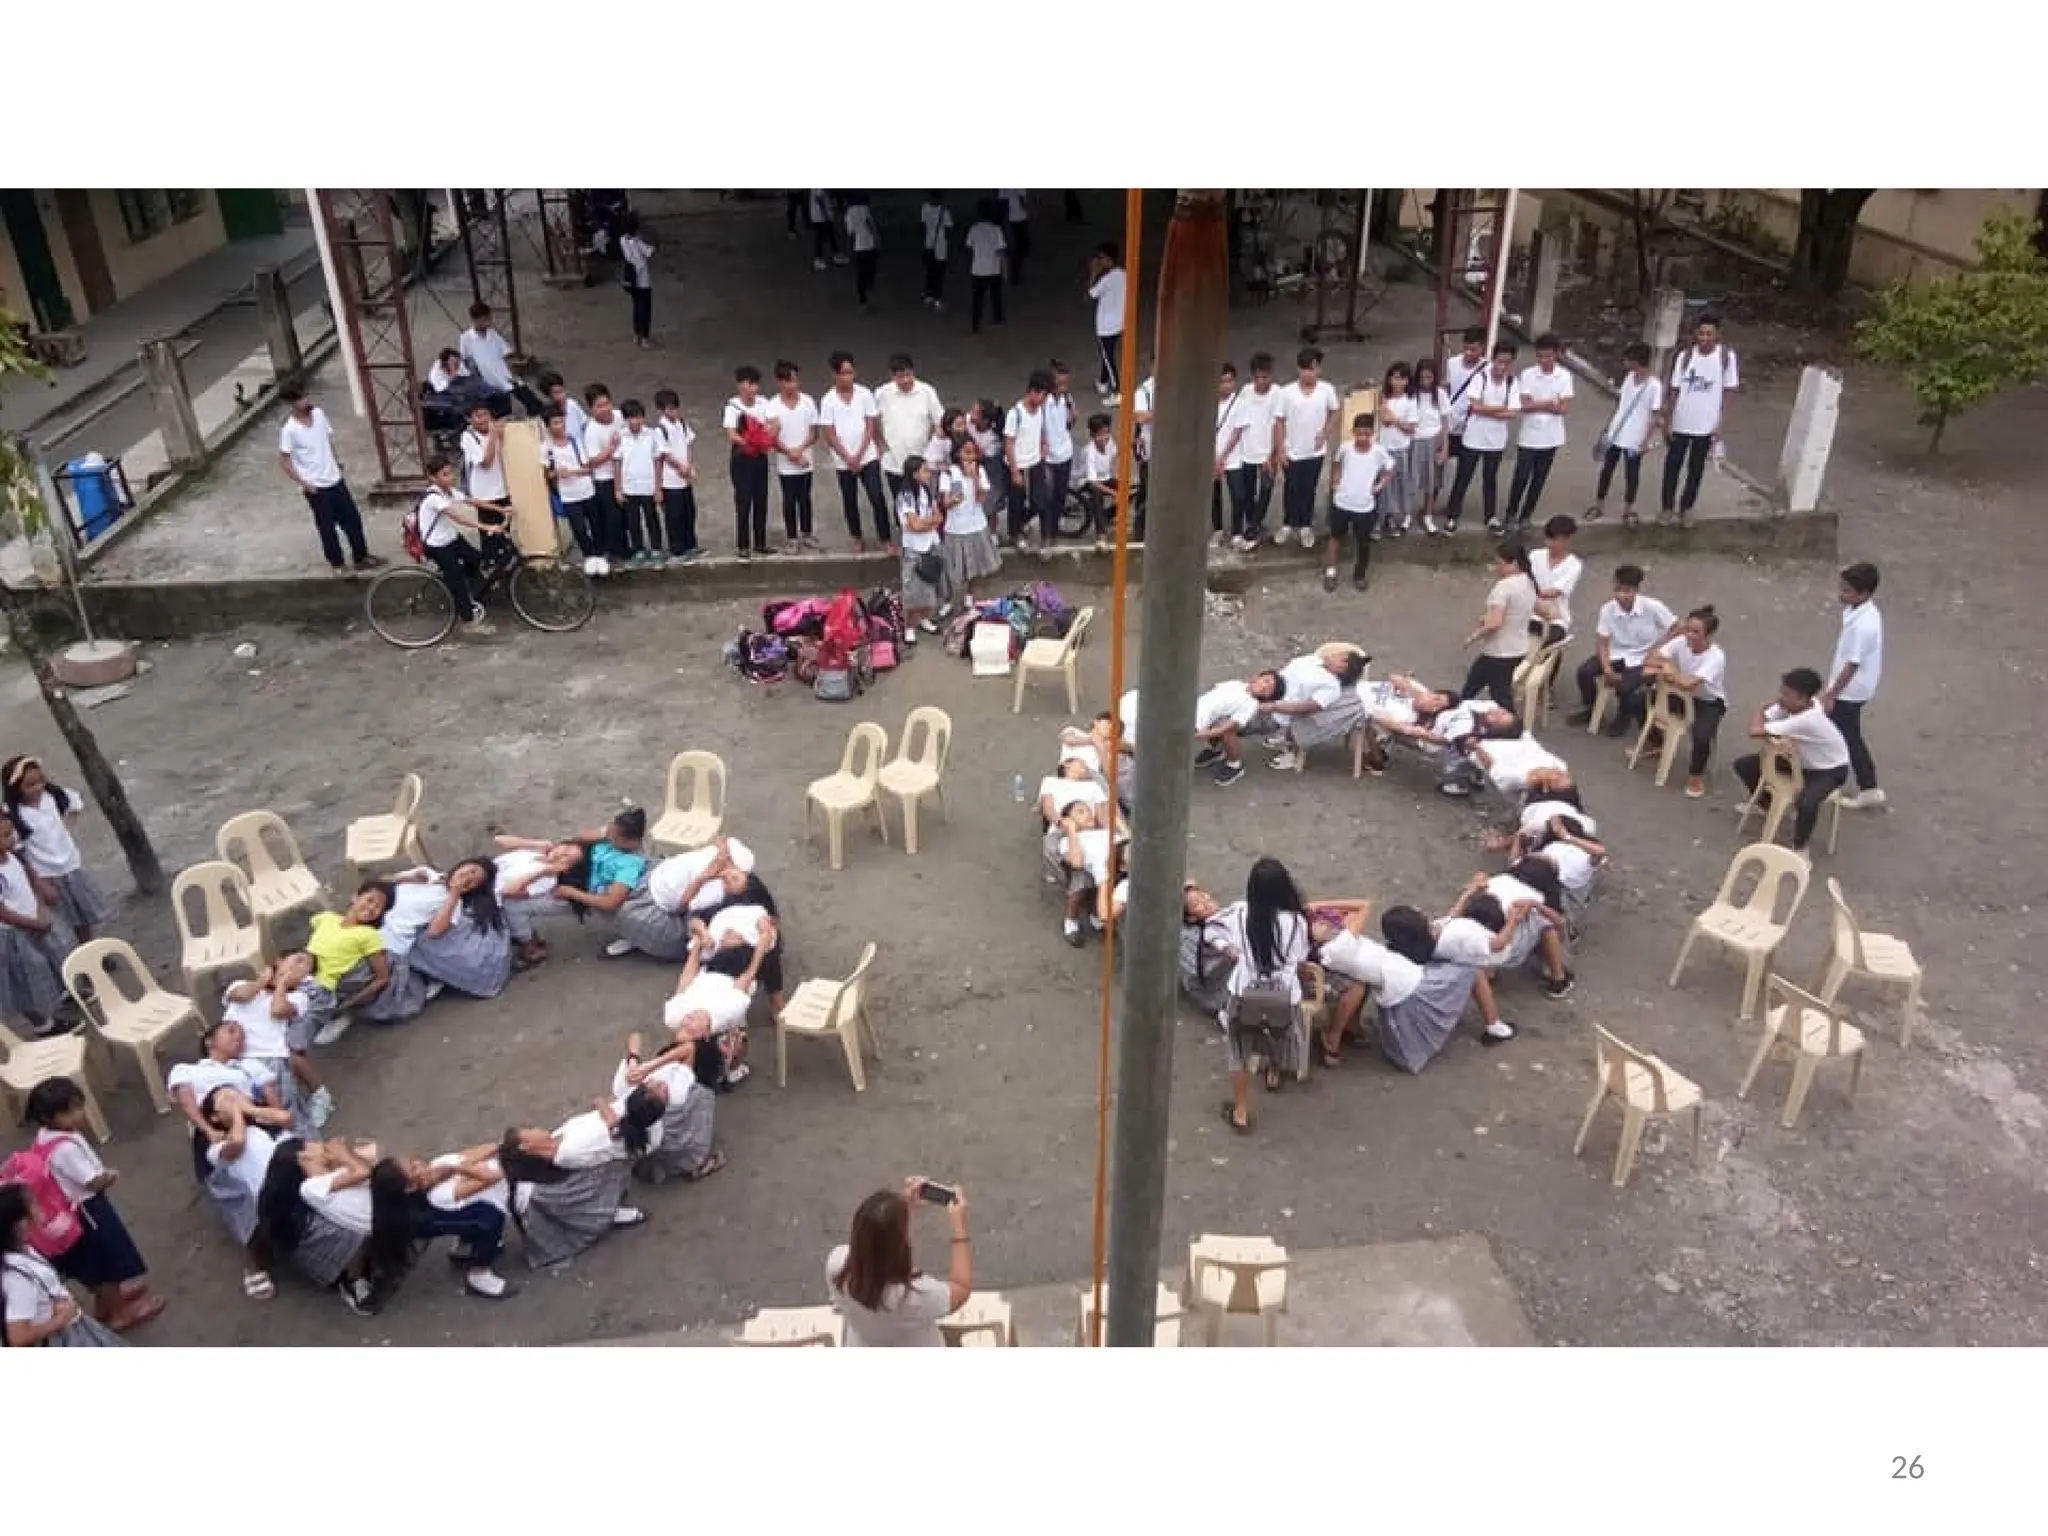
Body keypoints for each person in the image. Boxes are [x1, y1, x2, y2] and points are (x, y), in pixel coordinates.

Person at [22, 1076, 166, 1331]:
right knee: (107, 1260)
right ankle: (121, 1312)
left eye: (79, 1106)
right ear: (50, 1117)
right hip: (89, 1210)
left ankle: (107, 1303)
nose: (79, 1114)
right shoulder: (64, 1149)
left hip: (72, 1210)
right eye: (71, 1111)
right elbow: (92, 1182)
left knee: (97, 1262)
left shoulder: (45, 1138)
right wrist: (108, 1176)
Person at [1312, 904, 1491, 1072]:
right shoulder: (1341, 945)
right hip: (1409, 982)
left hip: (1402, 980)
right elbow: (1362, 905)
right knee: (1470, 971)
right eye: (1317, 924)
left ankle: (1346, 1033)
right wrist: (1315, 906)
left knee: (1359, 985)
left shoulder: (1336, 948)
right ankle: (1495, 1025)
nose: (1323, 924)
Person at [497, 1091, 663, 1268]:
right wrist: (600, 1103)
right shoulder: (568, 1151)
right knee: (598, 1205)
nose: (535, 1128)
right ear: (527, 1146)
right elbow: (611, 1124)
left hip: (597, 1170)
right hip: (599, 1175)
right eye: (529, 1132)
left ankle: (610, 1212)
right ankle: (611, 1215)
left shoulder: (555, 1144)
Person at [825, 1178, 972, 1346]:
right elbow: (961, 1288)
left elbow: (876, 1237)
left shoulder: (837, 1264)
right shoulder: (916, 1296)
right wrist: (959, 1226)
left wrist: (901, 1207)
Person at [1220, 858, 1310, 1131]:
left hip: (1244, 991)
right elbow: (1300, 961)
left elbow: (1220, 935)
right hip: (1284, 993)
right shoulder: (1297, 922)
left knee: (1237, 1049)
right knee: (1278, 1033)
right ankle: (1273, 1072)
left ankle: (1241, 1110)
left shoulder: (1238, 914)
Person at [1731, 668, 1851, 855]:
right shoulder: (1801, 705)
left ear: (1802, 699)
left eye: (1786, 694)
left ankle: (1801, 849)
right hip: (1802, 762)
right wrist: (1768, 713)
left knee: (1806, 803)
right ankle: (1768, 807)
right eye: (1782, 691)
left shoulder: (1807, 720)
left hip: (1830, 769)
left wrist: (1760, 709)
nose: (1780, 697)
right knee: (1745, 766)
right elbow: (1768, 720)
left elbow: (1755, 730)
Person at [0, 1183, 124, 1347]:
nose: (39, 1205)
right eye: (33, 1203)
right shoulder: (19, 1278)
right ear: (20, 1223)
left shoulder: (22, 1250)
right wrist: (60, 1319)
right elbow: (18, 1336)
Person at [1, 756, 109, 942]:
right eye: (30, 785)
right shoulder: (15, 815)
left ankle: (90, 947)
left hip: (70, 865)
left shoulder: (53, 798)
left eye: (40, 781)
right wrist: (38, 882)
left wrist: (68, 830)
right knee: (61, 921)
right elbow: (17, 851)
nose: (38, 788)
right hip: (47, 874)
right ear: (16, 788)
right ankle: (74, 958)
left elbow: (75, 804)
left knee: (82, 916)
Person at [220, 952, 331, 1132]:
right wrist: (264, 979)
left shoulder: (298, 998)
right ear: (279, 961)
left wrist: (282, 984)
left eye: (306, 969)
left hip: (268, 1058)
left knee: (284, 1119)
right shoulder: (241, 985)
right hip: (228, 1055)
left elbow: (278, 1010)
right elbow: (241, 995)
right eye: (298, 960)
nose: (299, 968)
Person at [277, 386, 380, 576]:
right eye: (300, 399)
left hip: (334, 478)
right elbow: (284, 461)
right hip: (315, 485)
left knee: (352, 519)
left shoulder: (319, 415)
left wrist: (336, 460)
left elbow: (327, 440)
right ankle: (337, 564)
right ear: (292, 404)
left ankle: (361, 556)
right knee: (327, 527)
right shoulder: (290, 430)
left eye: (305, 396)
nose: (306, 401)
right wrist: (305, 483)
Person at [1570, 565, 1678, 735]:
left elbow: (1676, 627)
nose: (1621, 596)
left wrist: (1660, 648)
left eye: (1626, 591)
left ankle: (1624, 716)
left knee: (1625, 686)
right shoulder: (1607, 609)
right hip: (1616, 653)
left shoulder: (1653, 607)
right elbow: (1603, 642)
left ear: (1635, 590)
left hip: (1642, 657)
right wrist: (1607, 668)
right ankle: (1589, 706)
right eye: (1617, 590)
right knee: (1584, 672)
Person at [611, 1031, 727, 1184]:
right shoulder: (677, 1094)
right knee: (702, 1096)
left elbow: (634, 1037)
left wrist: (634, 1060)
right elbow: (690, 1049)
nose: (663, 1085)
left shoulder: (624, 1089)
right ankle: (695, 1162)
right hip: (674, 1138)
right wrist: (649, 1066)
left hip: (654, 1142)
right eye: (664, 1092)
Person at [395, 1151, 514, 1299]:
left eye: (414, 1161)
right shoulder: (436, 1193)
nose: (419, 1163)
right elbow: (491, 1178)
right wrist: (455, 1169)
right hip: (426, 1218)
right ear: (410, 1187)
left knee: (476, 1211)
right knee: (488, 1220)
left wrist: (501, 1146)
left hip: (427, 1208)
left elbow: (468, 1156)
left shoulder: (436, 1167)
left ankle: (465, 1245)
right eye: (413, 1168)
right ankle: (479, 1275)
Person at [1442, 869, 1575, 999]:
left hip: (1474, 952)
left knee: (1485, 939)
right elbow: (1559, 923)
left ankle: (1488, 973)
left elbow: (1451, 917)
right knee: (1543, 922)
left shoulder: (1454, 929)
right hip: (1501, 951)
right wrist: (1518, 917)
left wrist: (1470, 892)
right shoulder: (1498, 944)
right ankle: (1559, 979)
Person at [1658, 313, 1739, 524]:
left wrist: (1721, 424)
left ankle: (1687, 508)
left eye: (1709, 334)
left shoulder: (1726, 358)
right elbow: (1674, 390)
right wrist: (1667, 421)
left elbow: (1729, 392)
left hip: (1706, 426)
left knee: (1696, 468)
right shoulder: (1684, 357)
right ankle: (1667, 507)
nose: (1704, 338)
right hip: (1681, 423)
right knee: (1672, 467)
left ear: (1717, 335)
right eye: (1701, 333)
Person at [0, 817, 76, 1038]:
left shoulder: (13, 857)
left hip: (35, 920)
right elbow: (3, 912)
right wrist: (33, 922)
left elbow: (29, 881)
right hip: (12, 933)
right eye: (4, 836)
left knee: (54, 956)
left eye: (11, 832)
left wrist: (41, 905)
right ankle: (42, 1024)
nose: (12, 838)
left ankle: (63, 996)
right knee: (23, 979)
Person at [1643, 605, 1729, 798]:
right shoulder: (1680, 642)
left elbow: (1689, 684)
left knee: (1701, 737)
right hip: (1681, 694)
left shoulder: (1716, 657)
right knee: (1650, 699)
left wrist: (1669, 671)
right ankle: (1655, 742)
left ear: (1709, 635)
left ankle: (1695, 776)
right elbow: (1650, 659)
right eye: (1688, 629)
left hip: (1708, 701)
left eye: (1696, 632)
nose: (1689, 635)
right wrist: (1667, 664)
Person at [1823, 562, 1886, 810]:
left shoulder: (1864, 625)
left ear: (1864, 594)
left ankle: (1867, 786)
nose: (1841, 594)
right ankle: (1864, 785)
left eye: (1847, 591)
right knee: (1845, 734)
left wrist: (1832, 694)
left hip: (1850, 690)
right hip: (1850, 686)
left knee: (1846, 737)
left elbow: (1852, 664)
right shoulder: (1858, 611)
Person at [299, 883, 394, 1043]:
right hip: (305, 975)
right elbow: (315, 929)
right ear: (355, 897)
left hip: (330, 987)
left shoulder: (368, 935)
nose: (371, 908)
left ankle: (337, 1017)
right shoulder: (327, 918)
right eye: (369, 900)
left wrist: (348, 1005)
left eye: (378, 908)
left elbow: (382, 978)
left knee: (301, 1031)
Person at [819, 353, 892, 552]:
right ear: (835, 375)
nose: (848, 377)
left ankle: (885, 537)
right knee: (849, 499)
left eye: (850, 372)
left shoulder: (864, 394)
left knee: (877, 497)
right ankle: (856, 536)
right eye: (843, 373)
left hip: (867, 456)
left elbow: (870, 425)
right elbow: (829, 434)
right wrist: (848, 457)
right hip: (843, 461)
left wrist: (860, 454)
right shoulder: (828, 400)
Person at [1257, 643, 1369, 772]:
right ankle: (1284, 739)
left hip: (1280, 708)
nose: (1332, 654)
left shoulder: (1330, 687)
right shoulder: (1314, 659)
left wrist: (1274, 706)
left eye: (1338, 656)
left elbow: (1308, 706)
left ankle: (1291, 749)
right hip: (1271, 689)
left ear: (1342, 666)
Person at [413, 455, 493, 635]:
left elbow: (471, 501)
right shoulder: (434, 497)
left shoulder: (449, 491)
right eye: (445, 474)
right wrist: (485, 526)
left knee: (476, 559)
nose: (450, 477)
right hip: (438, 546)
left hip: (452, 538)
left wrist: (500, 509)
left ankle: (471, 595)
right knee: (457, 582)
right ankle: (468, 621)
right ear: (433, 478)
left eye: (450, 473)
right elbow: (457, 516)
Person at [1445, 343, 1520, 532]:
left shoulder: (1512, 382)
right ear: (1493, 360)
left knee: (1490, 478)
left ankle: (1490, 517)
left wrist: (1487, 410)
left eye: (1506, 363)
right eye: (1499, 361)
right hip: (1473, 437)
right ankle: (1452, 515)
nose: (1501, 366)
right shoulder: (1480, 378)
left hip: (1496, 441)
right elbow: (1475, 407)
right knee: (1463, 477)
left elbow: (1512, 413)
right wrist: (1500, 408)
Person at [1271, 345, 1340, 548]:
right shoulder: (1286, 392)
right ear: (1298, 369)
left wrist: (1325, 433)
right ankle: (1287, 523)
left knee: (1308, 488)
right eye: (1305, 369)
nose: (1308, 373)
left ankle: (1305, 525)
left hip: (1315, 451)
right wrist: (1280, 449)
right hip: (1292, 450)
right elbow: (1279, 421)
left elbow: (1335, 411)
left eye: (1313, 368)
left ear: (1319, 369)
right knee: (1291, 488)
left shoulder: (1326, 390)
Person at [1503, 333, 1573, 530]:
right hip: (1529, 435)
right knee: (1521, 476)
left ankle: (1526, 514)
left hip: (1551, 437)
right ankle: (1511, 512)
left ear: (1556, 355)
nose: (1544, 360)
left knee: (1539, 478)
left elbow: (1564, 408)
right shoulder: (1528, 374)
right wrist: (1550, 403)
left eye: (1548, 356)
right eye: (1541, 356)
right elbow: (1524, 405)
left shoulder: (1564, 377)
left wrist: (1539, 404)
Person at [1589, 342, 1662, 525]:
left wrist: (1646, 441)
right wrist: (1609, 426)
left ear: (1637, 362)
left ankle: (1628, 509)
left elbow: (1655, 416)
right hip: (1617, 432)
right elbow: (1621, 404)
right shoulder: (1629, 378)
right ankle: (1599, 505)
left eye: (1628, 360)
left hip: (1635, 437)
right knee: (1607, 470)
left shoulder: (1654, 386)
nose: (1625, 363)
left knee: (1632, 474)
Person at [1322, 413, 1395, 594]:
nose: (1362, 438)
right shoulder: (1345, 448)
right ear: (1353, 432)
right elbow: (1336, 462)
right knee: (1335, 537)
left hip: (1364, 506)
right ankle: (1330, 572)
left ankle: (1360, 574)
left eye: (1366, 434)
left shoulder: (1378, 451)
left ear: (1372, 433)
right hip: (1342, 502)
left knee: (1363, 542)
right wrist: (1335, 482)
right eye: (1359, 433)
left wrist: (1380, 485)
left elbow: (1391, 468)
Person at [1459, 540, 1539, 703]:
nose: (1497, 568)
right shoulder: (1528, 581)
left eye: (1499, 564)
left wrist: (1474, 637)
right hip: (1518, 647)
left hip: (1500, 651)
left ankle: (1514, 727)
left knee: (1500, 695)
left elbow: (1495, 623)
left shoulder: (1503, 588)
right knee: (1473, 684)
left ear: (1514, 563)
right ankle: (1457, 711)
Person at [493, 838, 587, 965]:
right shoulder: (534, 853)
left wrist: (540, 872)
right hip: (488, 872)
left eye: (566, 858)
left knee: (513, 908)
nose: (560, 854)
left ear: (565, 869)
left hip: (490, 893)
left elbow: (509, 891)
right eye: (564, 849)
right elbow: (499, 839)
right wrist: (534, 843)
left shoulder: (547, 880)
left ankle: (529, 947)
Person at [1226, 353, 1282, 548]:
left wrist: (1273, 453)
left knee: (1266, 489)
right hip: (1247, 451)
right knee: (1248, 491)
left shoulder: (1277, 394)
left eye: (1264, 377)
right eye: (1257, 377)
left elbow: (1278, 424)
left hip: (1267, 452)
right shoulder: (1245, 392)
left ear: (1271, 375)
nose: (1260, 381)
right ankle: (1252, 521)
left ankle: (1256, 523)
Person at [938, 438, 1001, 612]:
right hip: (955, 528)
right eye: (967, 452)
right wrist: (953, 500)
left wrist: (975, 479)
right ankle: (948, 600)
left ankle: (969, 597)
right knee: (953, 568)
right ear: (958, 454)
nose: (971, 457)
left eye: (973, 452)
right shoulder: (949, 474)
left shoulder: (980, 471)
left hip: (976, 525)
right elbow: (944, 503)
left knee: (975, 567)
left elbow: (981, 499)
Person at [1192, 670, 1284, 787]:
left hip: (1200, 721)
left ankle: (1235, 765)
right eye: (1265, 681)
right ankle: (1216, 750)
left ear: (1268, 697)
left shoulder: (1251, 704)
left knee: (1227, 732)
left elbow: (1232, 724)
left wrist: (1208, 733)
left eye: (1269, 689)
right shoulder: (1236, 684)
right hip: (1199, 709)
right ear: (1256, 677)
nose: (1264, 686)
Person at [766, 362, 820, 555]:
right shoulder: (772, 406)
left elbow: (814, 433)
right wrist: (791, 453)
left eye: (796, 380)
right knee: (789, 500)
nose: (794, 384)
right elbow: (772, 439)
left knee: (805, 498)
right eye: (789, 381)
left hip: (806, 461)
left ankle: (807, 533)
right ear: (780, 382)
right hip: (786, 464)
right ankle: (791, 538)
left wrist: (801, 450)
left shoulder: (808, 401)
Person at [722, 365, 775, 560]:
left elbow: (772, 424)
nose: (751, 388)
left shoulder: (763, 403)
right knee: (743, 501)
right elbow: (731, 434)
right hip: (742, 457)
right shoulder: (732, 407)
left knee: (761, 499)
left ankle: (760, 542)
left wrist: (764, 440)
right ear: (740, 385)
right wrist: (749, 443)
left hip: (760, 455)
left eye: (754, 384)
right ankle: (743, 545)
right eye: (747, 384)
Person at [1053, 800, 1122, 946]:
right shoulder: (1068, 841)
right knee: (1081, 879)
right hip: (1088, 869)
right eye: (1080, 812)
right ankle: (1070, 919)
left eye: (1089, 810)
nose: (1088, 814)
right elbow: (1077, 862)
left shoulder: (1106, 833)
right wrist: (1071, 830)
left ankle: (1097, 915)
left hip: (1112, 866)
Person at [540, 407, 601, 574]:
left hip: (586, 489)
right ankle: (589, 556)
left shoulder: (575, 442)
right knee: (579, 528)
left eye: (561, 421)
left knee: (596, 525)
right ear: (548, 426)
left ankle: (600, 555)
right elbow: (546, 474)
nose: (560, 426)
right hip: (568, 496)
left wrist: (572, 472)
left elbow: (588, 468)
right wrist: (556, 474)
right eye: (555, 423)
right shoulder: (546, 449)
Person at [879, 354, 945, 505]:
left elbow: (940, 422)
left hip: (920, 461)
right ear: (892, 376)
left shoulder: (927, 392)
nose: (905, 380)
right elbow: (873, 419)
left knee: (923, 501)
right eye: (900, 377)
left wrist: (934, 450)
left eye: (908, 375)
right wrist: (880, 443)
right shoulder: (882, 394)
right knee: (900, 502)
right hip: (893, 461)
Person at [459, 302, 544, 416]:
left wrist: (512, 372)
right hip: (488, 379)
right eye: (484, 319)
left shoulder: (492, 334)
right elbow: (466, 360)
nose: (488, 322)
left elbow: (506, 352)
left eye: (488, 318)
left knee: (531, 400)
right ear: (475, 320)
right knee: (503, 409)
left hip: (504, 373)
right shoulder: (466, 338)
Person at [895, 456, 944, 639]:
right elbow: (913, 525)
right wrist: (927, 523)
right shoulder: (905, 496)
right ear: (915, 474)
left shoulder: (926, 491)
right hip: (913, 548)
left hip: (930, 544)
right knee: (912, 588)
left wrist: (926, 523)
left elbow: (938, 517)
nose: (928, 473)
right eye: (924, 470)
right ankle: (909, 626)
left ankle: (924, 618)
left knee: (929, 585)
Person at [1004, 370, 1053, 550]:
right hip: (1019, 464)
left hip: (1036, 462)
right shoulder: (1015, 414)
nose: (1043, 400)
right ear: (1032, 391)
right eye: (1042, 395)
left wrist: (1044, 442)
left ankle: (1046, 539)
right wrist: (1014, 470)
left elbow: (1040, 430)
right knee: (1016, 502)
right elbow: (1009, 443)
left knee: (1042, 501)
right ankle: (1015, 534)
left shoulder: (1040, 411)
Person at [654, 389, 703, 562]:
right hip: (670, 481)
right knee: (673, 516)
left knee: (689, 512)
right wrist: (679, 467)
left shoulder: (681, 424)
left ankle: (691, 544)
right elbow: (663, 455)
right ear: (661, 410)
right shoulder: (660, 430)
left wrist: (688, 465)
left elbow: (688, 443)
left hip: (685, 479)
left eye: (675, 408)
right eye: (669, 409)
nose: (673, 412)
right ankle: (677, 549)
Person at [613, 399, 663, 566]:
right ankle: (639, 550)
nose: (634, 421)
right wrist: (618, 489)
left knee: (652, 519)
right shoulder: (620, 436)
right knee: (633, 521)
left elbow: (657, 461)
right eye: (630, 418)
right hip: (629, 487)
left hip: (648, 486)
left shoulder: (652, 435)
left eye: (638, 417)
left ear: (643, 417)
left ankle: (657, 549)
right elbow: (617, 463)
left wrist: (658, 487)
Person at [1178, 883, 1242, 1016]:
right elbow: (1233, 953)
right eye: (1197, 904)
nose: (1205, 901)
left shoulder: (1227, 913)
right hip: (1216, 991)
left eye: (1202, 896)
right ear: (1192, 917)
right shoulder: (1208, 934)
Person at [581, 385, 627, 566]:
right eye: (599, 406)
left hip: (623, 473)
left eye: (606, 403)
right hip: (604, 478)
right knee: (612, 516)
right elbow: (593, 461)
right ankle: (615, 550)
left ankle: (625, 547)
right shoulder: (591, 431)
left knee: (625, 514)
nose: (605, 409)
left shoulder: (619, 416)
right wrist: (611, 449)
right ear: (591, 409)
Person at [1441, 326, 1490, 493]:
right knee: (1438, 466)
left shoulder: (1487, 369)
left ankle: (1453, 508)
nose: (1469, 353)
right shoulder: (1452, 363)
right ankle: (1430, 505)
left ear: (1482, 347)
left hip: (1471, 428)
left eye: (1474, 349)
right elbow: (1447, 389)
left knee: (1464, 472)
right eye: (1466, 348)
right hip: (1450, 423)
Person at [1373, 362, 1419, 537]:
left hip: (1400, 449)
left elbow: (1411, 428)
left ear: (1407, 381)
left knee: (1398, 486)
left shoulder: (1409, 401)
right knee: (1383, 486)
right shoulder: (1383, 398)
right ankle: (1378, 520)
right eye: (1394, 377)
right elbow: (1384, 419)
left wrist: (1396, 420)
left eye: (1401, 378)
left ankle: (1392, 518)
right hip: (1383, 449)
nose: (1397, 382)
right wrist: (1391, 417)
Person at [1410, 357, 1452, 534]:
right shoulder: (1411, 394)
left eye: (1429, 377)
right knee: (1411, 480)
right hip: (1415, 441)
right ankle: (1407, 513)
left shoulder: (1440, 395)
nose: (1426, 381)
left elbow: (1445, 423)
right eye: (1422, 377)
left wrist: (1444, 448)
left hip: (1433, 441)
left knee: (1432, 482)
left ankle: (1427, 514)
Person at [1528, 514, 1583, 646]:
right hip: (1529, 613)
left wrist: (1531, 593)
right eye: (1549, 539)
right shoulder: (1534, 556)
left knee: (1548, 643)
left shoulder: (1574, 565)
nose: (1550, 544)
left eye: (1555, 540)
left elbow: (1553, 592)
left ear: (1567, 540)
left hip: (1556, 618)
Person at [1042, 362, 1079, 554]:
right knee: (1047, 497)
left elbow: (1069, 423)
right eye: (1060, 383)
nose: (1064, 387)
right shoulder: (1043, 402)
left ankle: (1053, 532)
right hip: (1048, 458)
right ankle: (1046, 536)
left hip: (1065, 452)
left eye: (1066, 383)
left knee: (1059, 497)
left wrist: (1073, 413)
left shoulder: (1067, 399)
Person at [1087, 243, 1128, 403]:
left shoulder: (1106, 279)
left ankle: (1117, 391)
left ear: (1108, 259)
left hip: (1105, 326)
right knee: (1106, 354)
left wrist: (1092, 274)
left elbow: (1091, 294)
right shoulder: (1124, 274)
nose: (1099, 261)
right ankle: (1103, 383)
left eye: (1101, 258)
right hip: (1119, 323)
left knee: (1108, 357)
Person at [1077, 412, 1122, 545]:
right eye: (1100, 434)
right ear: (1092, 435)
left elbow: (1117, 455)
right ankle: (1101, 535)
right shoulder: (1089, 452)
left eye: (1107, 433)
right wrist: (1114, 493)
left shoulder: (1110, 443)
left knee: (1127, 490)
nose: (1105, 437)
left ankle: (1106, 516)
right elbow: (1093, 482)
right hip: (1088, 482)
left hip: (1104, 478)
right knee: (1097, 496)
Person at [964, 198, 1007, 332]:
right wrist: (1004, 269)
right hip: (993, 268)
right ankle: (998, 318)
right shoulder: (996, 229)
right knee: (996, 295)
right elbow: (1001, 251)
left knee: (978, 298)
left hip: (978, 269)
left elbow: (969, 247)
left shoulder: (974, 229)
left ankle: (975, 324)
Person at [618, 213, 654, 347]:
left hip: (630, 278)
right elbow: (650, 252)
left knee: (636, 307)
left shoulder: (622, 240)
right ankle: (644, 337)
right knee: (645, 309)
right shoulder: (638, 242)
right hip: (643, 280)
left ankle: (637, 334)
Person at [844, 193, 880, 309]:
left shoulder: (849, 214)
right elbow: (872, 225)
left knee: (860, 273)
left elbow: (851, 234)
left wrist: (851, 249)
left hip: (859, 246)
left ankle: (862, 299)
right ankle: (869, 284)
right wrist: (877, 239)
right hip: (869, 243)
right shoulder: (864, 209)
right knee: (870, 267)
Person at [919, 194, 953, 309]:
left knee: (930, 272)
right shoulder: (944, 211)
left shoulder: (925, 208)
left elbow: (923, 226)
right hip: (941, 246)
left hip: (929, 243)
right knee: (939, 273)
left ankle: (928, 296)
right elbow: (949, 229)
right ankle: (937, 298)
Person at [806, 189, 844, 270]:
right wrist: (827, 214)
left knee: (830, 233)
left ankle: (836, 254)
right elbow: (820, 199)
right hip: (820, 215)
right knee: (821, 236)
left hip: (822, 214)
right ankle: (818, 259)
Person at [999, 188, 1031, 282]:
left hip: (1010, 218)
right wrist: (1030, 211)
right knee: (1019, 246)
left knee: (1017, 242)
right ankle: (1015, 274)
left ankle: (1015, 269)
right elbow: (1022, 201)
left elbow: (1002, 203)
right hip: (1021, 217)